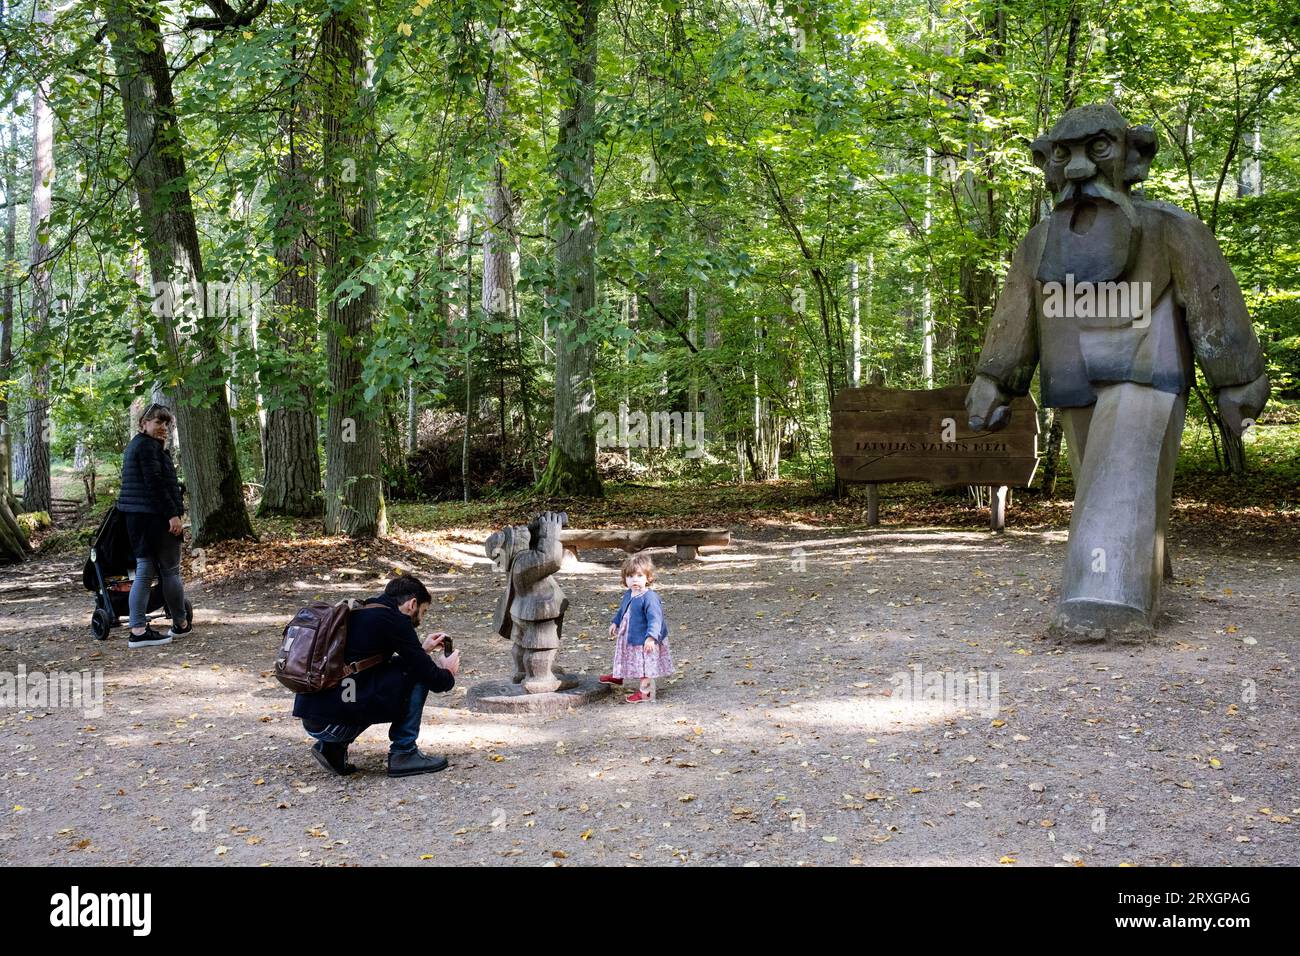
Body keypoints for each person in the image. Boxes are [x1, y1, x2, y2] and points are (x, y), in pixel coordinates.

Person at [293, 574, 461, 777]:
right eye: (423, 612)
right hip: (333, 726)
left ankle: (332, 749)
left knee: (369, 679)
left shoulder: (363, 610)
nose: (421, 619)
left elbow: (372, 665)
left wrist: (421, 651)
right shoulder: (396, 621)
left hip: (313, 719)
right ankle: (404, 752)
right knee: (416, 675)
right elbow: (434, 679)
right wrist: (448, 672)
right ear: (412, 604)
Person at [116, 403, 189, 649]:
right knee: (168, 571)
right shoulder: (147, 447)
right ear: (143, 423)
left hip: (138, 518)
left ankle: (139, 627)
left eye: (167, 424)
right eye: (158, 422)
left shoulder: (142, 446)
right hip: (154, 518)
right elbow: (155, 483)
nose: (163, 428)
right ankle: (177, 624)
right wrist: (172, 515)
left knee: (146, 569)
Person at [601, 554, 673, 703]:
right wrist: (616, 622)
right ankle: (618, 676)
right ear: (624, 579)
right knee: (624, 656)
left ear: (648, 578)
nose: (634, 579)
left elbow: (655, 619)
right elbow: (623, 611)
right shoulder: (629, 594)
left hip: (645, 639)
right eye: (630, 576)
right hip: (630, 635)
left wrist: (651, 637)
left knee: (644, 665)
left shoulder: (649, 598)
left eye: (639, 576)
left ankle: (646, 693)